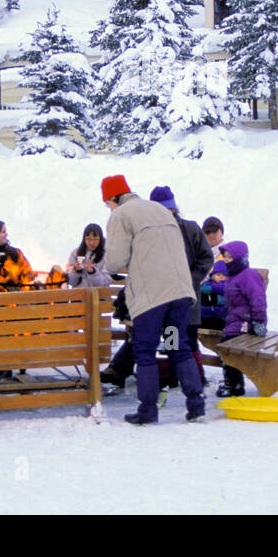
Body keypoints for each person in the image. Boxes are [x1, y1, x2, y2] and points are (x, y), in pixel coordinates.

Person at [101, 175, 205, 425]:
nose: (109, 208)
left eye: (107, 203)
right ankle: (196, 406)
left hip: (152, 301)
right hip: (179, 297)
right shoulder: (158, 209)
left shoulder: (121, 215)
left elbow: (114, 261)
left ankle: (147, 411)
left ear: (114, 198)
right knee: (176, 346)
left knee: (144, 350)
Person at [149, 185, 213, 377]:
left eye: (166, 209)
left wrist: (191, 278)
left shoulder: (190, 229)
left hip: (188, 297)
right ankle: (174, 375)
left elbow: (206, 258)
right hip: (165, 300)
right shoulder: (150, 234)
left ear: (173, 208)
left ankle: (197, 377)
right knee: (172, 340)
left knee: (190, 339)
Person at [216, 240, 268, 397]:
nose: (226, 260)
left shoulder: (247, 276)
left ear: (240, 258)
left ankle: (234, 384)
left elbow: (258, 300)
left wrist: (259, 322)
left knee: (228, 345)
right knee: (226, 340)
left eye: (229, 257)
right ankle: (233, 382)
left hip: (247, 323)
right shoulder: (233, 276)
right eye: (225, 257)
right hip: (237, 321)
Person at [199, 217, 228, 329]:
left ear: (221, 231)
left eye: (215, 231)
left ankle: (173, 344)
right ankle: (172, 344)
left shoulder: (228, 254)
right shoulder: (199, 253)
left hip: (218, 305)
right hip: (204, 301)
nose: (211, 235)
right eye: (207, 232)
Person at [65, 223, 112, 288]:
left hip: (99, 297)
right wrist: (76, 271)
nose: (91, 242)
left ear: (100, 239)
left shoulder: (107, 255)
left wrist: (93, 272)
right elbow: (71, 283)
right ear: (84, 239)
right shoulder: (75, 254)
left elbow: (106, 283)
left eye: (95, 239)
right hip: (79, 296)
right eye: (88, 239)